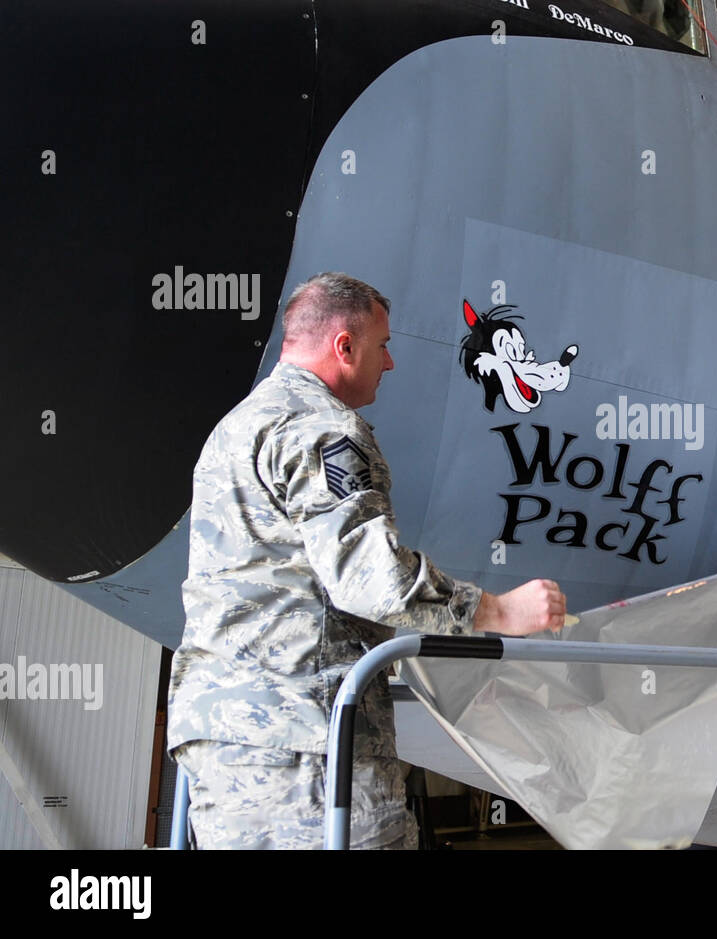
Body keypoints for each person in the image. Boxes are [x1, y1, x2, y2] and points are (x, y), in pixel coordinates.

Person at [167, 272, 566, 849]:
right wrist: (499, 611)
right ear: (344, 346)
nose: (391, 363)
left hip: (223, 742)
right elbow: (368, 578)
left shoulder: (235, 431)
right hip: (305, 744)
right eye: (383, 346)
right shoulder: (323, 428)